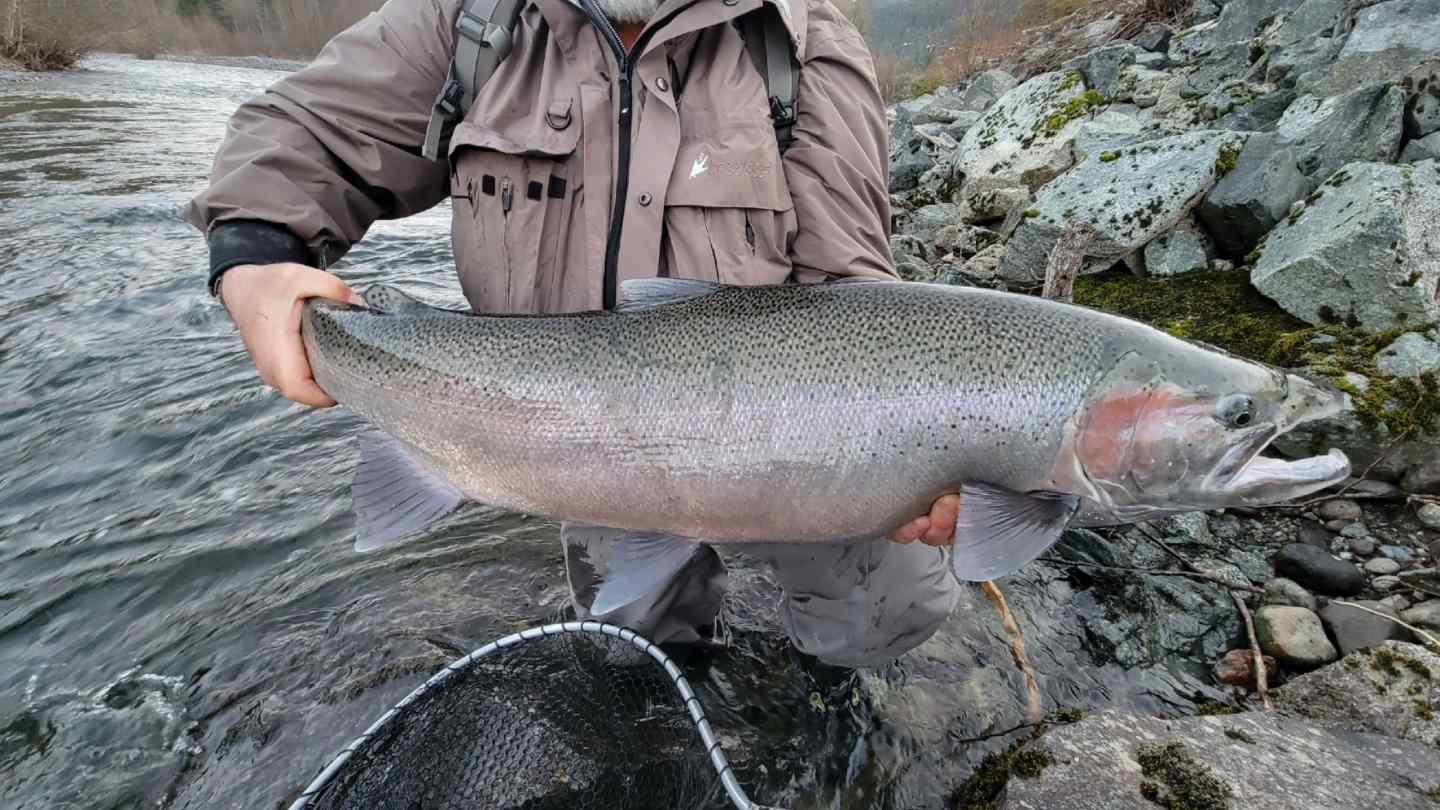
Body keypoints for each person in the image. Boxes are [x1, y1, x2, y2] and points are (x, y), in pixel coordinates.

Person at [187, 0, 962, 668]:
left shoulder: (805, 47)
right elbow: (297, 138)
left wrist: (911, 456)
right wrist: (253, 261)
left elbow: (854, 299)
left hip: (784, 444)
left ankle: (830, 701)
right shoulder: (469, 21)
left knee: (889, 604)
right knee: (635, 644)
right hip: (559, 442)